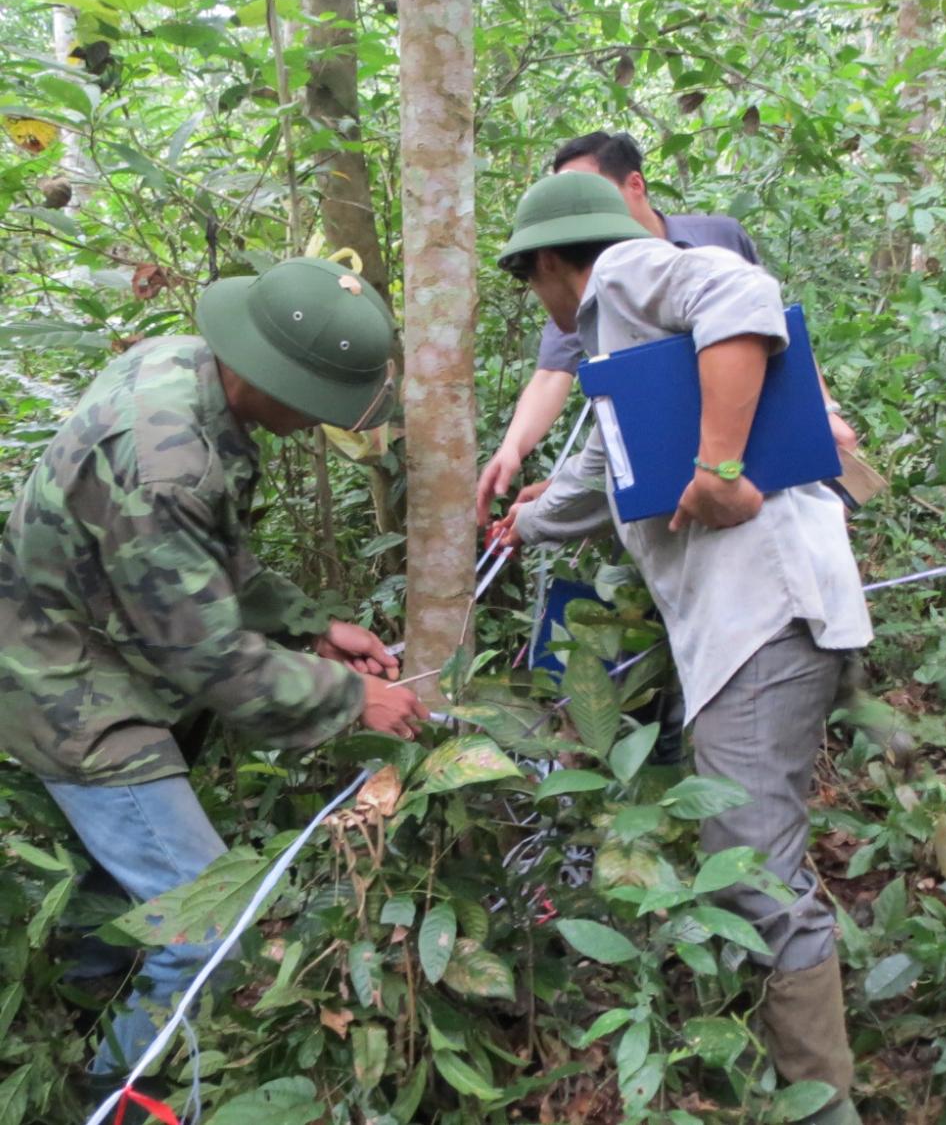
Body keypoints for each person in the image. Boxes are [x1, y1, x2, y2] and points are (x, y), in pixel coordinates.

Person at [491, 174, 872, 1125]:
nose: (539, 301)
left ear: (550, 264)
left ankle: (821, 1109)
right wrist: (522, 523)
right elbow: (593, 477)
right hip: (773, 619)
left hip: (761, 620)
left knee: (753, 866)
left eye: (532, 279)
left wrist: (718, 467)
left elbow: (741, 294)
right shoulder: (615, 350)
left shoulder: (618, 276)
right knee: (756, 842)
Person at [0, 257, 429, 1083]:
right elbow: (213, 661)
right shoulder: (164, 466)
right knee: (212, 928)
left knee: (123, 889)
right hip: (67, 690)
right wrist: (353, 697)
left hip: (98, 642)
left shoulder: (181, 364)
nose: (321, 424)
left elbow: (201, 557)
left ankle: (92, 997)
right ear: (278, 381)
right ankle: (123, 1095)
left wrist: (311, 625)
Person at [476, 130, 857, 522]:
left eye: (586, 189)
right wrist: (514, 451)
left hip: (748, 460)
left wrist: (820, 410)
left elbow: (765, 315)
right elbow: (555, 374)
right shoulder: (587, 289)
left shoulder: (706, 239)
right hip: (688, 470)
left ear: (635, 185)